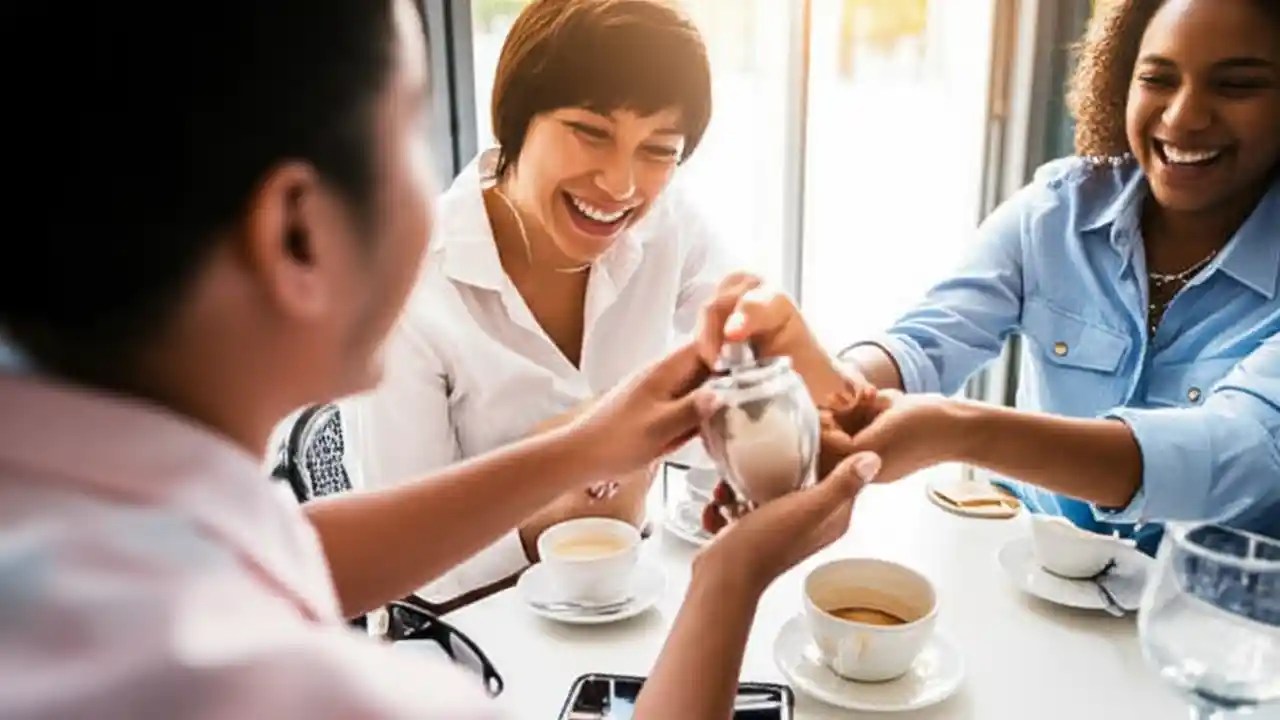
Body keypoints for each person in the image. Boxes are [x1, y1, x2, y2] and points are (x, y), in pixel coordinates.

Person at [0, 1, 881, 718]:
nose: (623, 182)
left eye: (657, 148)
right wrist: (730, 582)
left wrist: (589, 447)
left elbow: (285, 548)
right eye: (410, 134)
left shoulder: (78, 508)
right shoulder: (317, 692)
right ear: (297, 231)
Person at [697, 0, 1280, 548]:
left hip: (1215, 625)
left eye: (1237, 86)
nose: (1184, 116)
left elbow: (1231, 455)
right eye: (1158, 78)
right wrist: (813, 377)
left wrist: (959, 430)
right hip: (1033, 582)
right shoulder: (1060, 210)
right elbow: (925, 346)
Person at [346, 0, 736, 607]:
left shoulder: (670, 228)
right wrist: (556, 504)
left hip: (635, 602)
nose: (621, 185)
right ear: (517, 118)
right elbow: (399, 562)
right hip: (471, 630)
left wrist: (643, 438)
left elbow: (756, 369)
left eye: (658, 149)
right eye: (591, 132)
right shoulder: (412, 286)